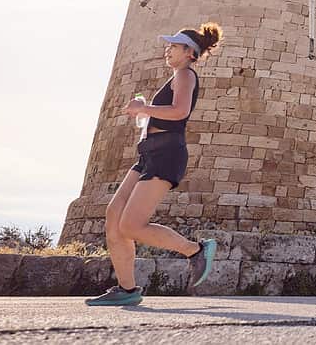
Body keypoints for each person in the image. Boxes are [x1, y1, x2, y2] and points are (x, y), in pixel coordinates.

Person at [85, 23, 224, 306]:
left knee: (131, 225)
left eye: (174, 46)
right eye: (168, 45)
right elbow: (165, 113)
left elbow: (180, 111)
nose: (168, 50)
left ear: (189, 53)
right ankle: (127, 288)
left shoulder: (185, 74)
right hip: (149, 153)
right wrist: (144, 110)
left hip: (166, 153)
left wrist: (143, 108)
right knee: (114, 215)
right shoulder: (175, 77)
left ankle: (195, 250)